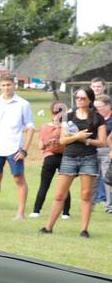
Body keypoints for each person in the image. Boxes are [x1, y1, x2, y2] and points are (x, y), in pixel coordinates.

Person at [40, 86, 107, 238]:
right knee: (59, 195)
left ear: (90, 100)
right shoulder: (68, 116)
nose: (79, 100)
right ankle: (48, 227)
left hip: (88, 158)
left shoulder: (97, 117)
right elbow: (63, 139)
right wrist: (77, 137)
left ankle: (84, 230)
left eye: (83, 98)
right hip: (69, 157)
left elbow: (102, 142)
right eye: (77, 97)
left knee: (86, 195)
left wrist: (87, 140)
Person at [0, 77, 35, 220]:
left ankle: (20, 213)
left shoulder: (23, 104)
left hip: (15, 148)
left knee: (19, 179)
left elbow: (30, 128)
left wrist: (24, 149)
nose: (6, 88)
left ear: (14, 85)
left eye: (9, 85)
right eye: (3, 85)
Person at [32, 101, 72, 220]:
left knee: (44, 185)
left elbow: (40, 146)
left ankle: (36, 211)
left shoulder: (45, 127)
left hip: (49, 157)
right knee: (65, 186)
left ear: (51, 112)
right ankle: (65, 213)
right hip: (65, 157)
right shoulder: (68, 127)